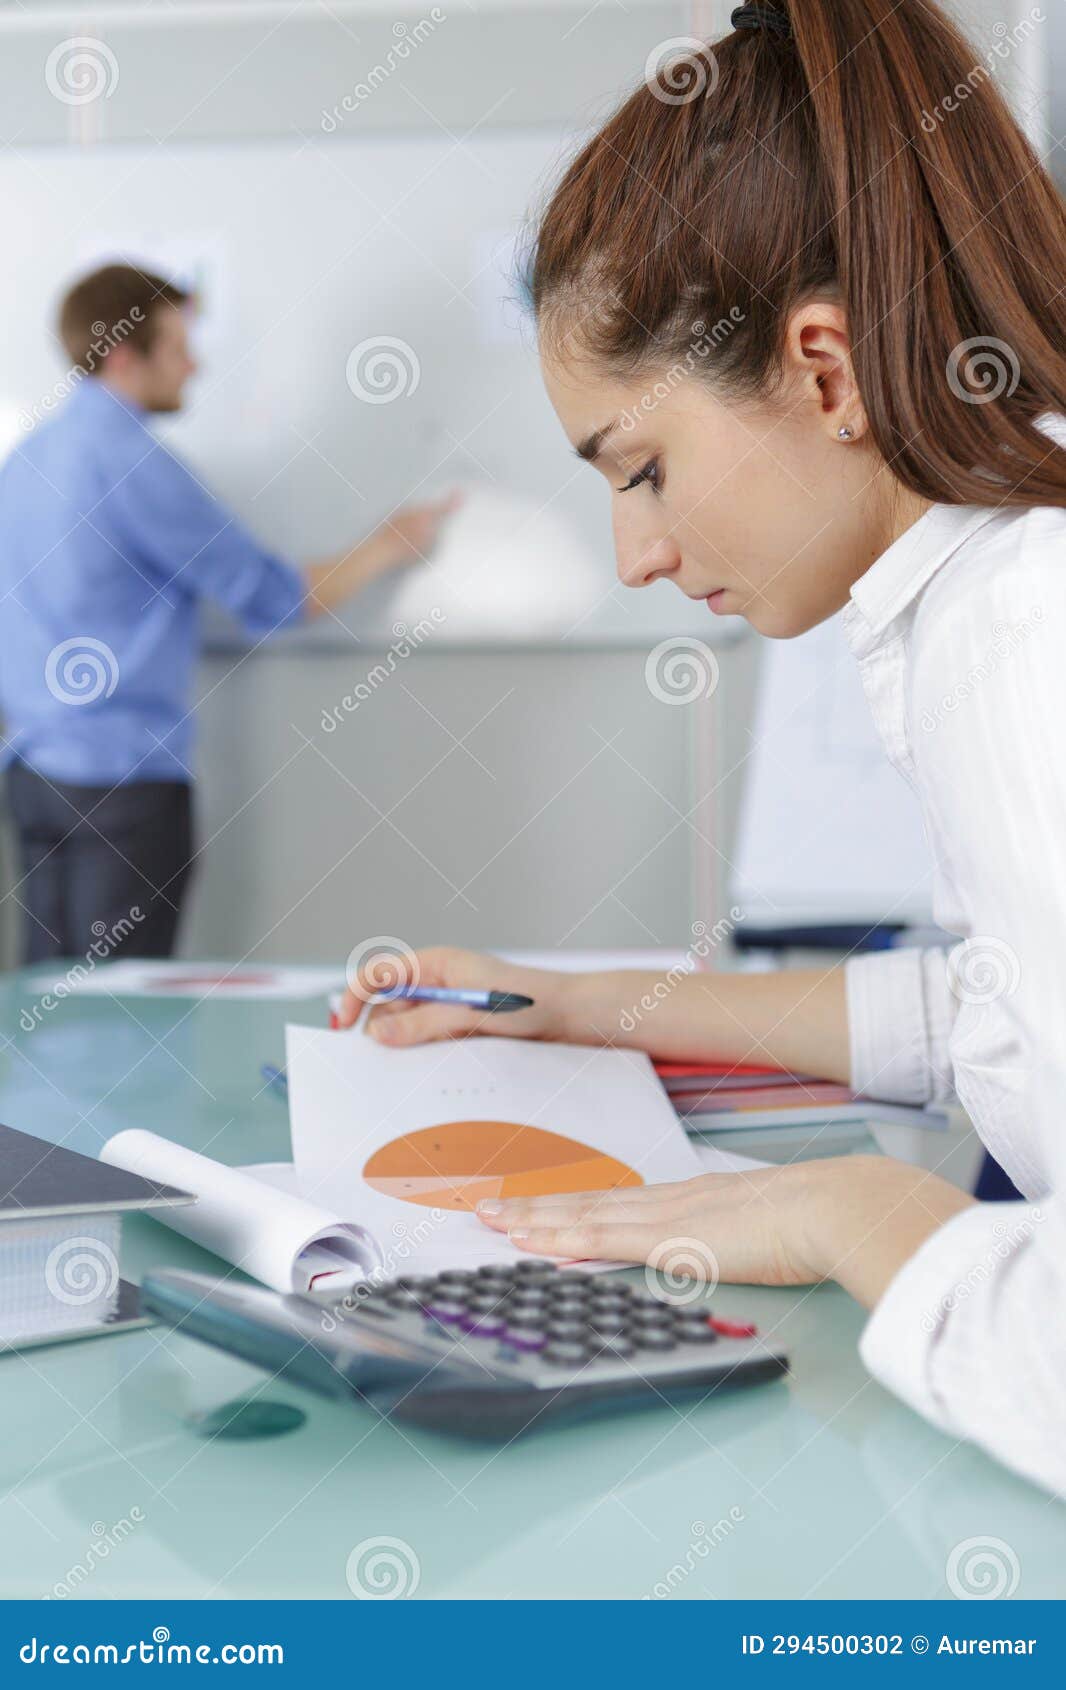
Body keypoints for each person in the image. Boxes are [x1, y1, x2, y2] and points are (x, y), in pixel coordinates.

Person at [339, 0, 1066, 1494]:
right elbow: (1000, 1007)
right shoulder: (987, 587)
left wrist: (852, 1216)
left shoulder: (1021, 640)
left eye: (644, 468)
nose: (636, 552)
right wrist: (591, 1002)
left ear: (823, 370)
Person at [0, 264, 452, 962]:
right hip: (120, 787)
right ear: (124, 353)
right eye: (179, 345)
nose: (196, 364)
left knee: (50, 1007)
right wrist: (386, 547)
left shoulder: (24, 460)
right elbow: (276, 600)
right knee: (124, 1023)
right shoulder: (133, 464)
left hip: (35, 776)